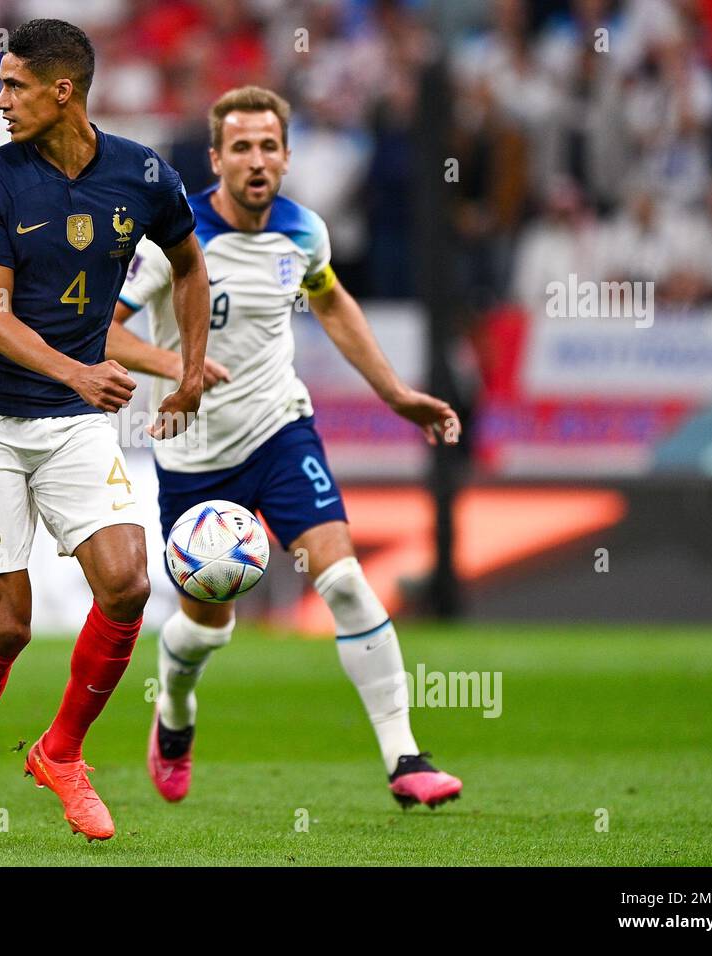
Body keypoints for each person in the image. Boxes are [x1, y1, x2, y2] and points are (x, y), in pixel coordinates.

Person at [108, 86, 463, 809]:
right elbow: (106, 333)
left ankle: (405, 757)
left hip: (279, 432)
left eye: (269, 146)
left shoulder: (304, 233)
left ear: (287, 155)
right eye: (241, 147)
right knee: (209, 628)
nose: (257, 160)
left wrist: (395, 392)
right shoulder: (173, 240)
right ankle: (174, 709)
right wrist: (175, 367)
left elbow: (329, 299)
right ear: (216, 159)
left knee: (342, 578)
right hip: (194, 457)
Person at [0, 18, 209, 846]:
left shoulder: (143, 173)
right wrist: (83, 372)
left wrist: (190, 367)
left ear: (64, 91)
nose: (0, 99)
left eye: (14, 85)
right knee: (8, 624)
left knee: (127, 583)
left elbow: (189, 261)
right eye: (1, 83)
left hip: (71, 420)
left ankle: (61, 752)